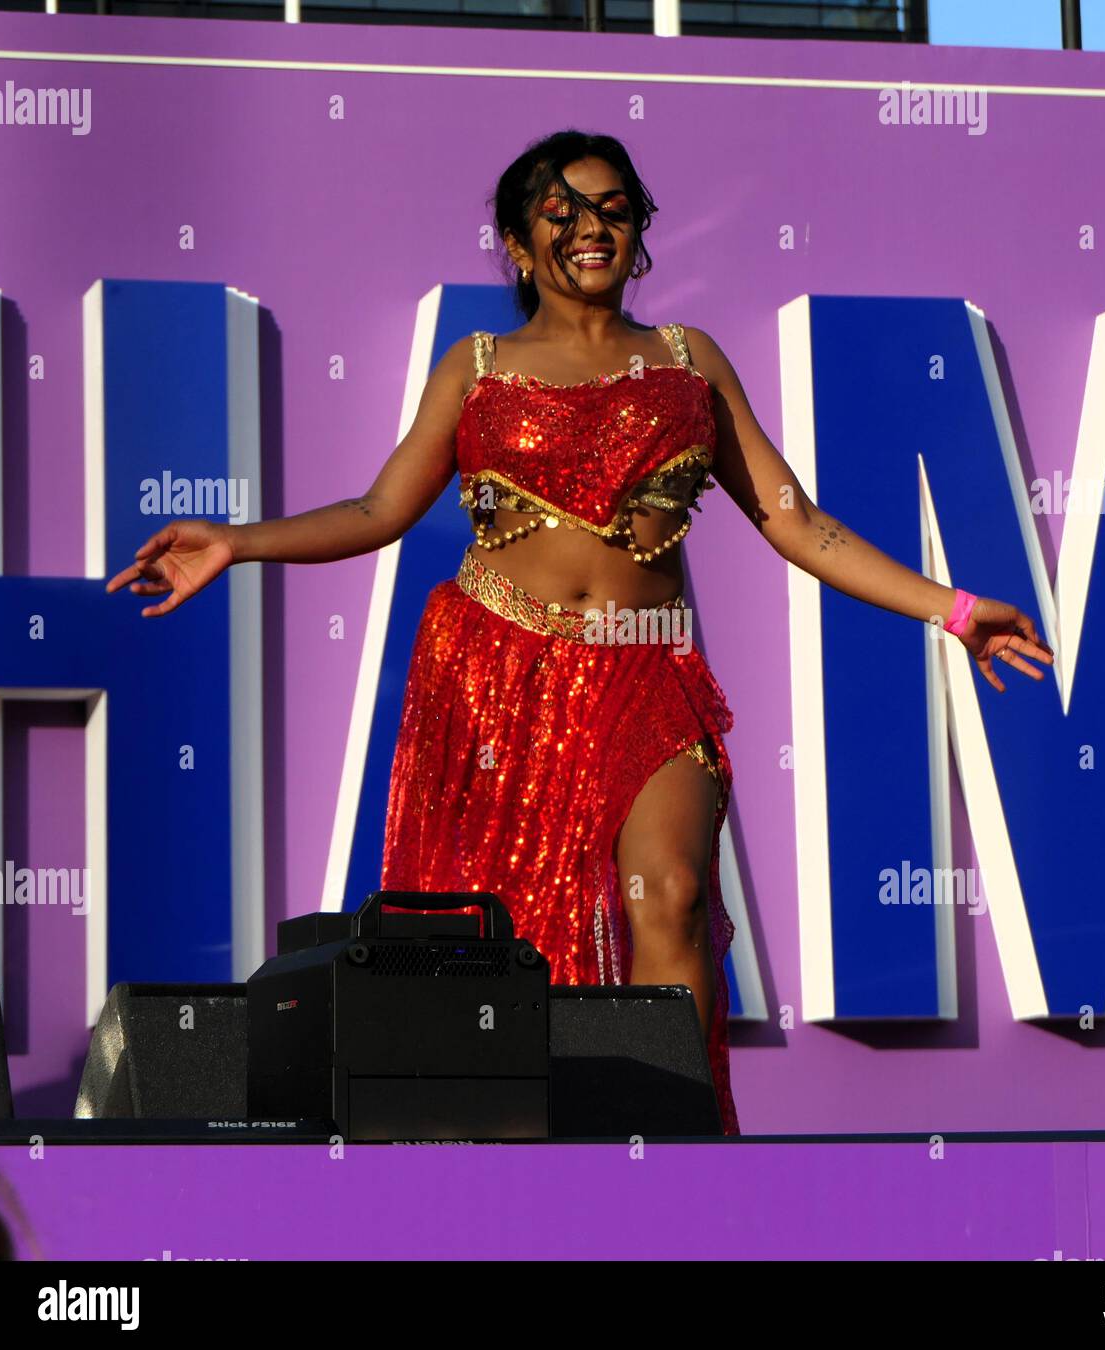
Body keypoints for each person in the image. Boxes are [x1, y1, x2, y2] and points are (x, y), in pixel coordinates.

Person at [107, 129, 1055, 1137]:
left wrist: (950, 610)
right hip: (495, 681)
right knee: (504, 948)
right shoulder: (474, 367)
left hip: (649, 674)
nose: (591, 227)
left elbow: (798, 522)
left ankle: (683, 1159)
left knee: (672, 891)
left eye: (611, 208)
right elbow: (378, 511)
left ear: (639, 230)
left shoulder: (691, 362)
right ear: (519, 245)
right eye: (562, 214)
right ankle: (533, 1175)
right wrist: (239, 541)